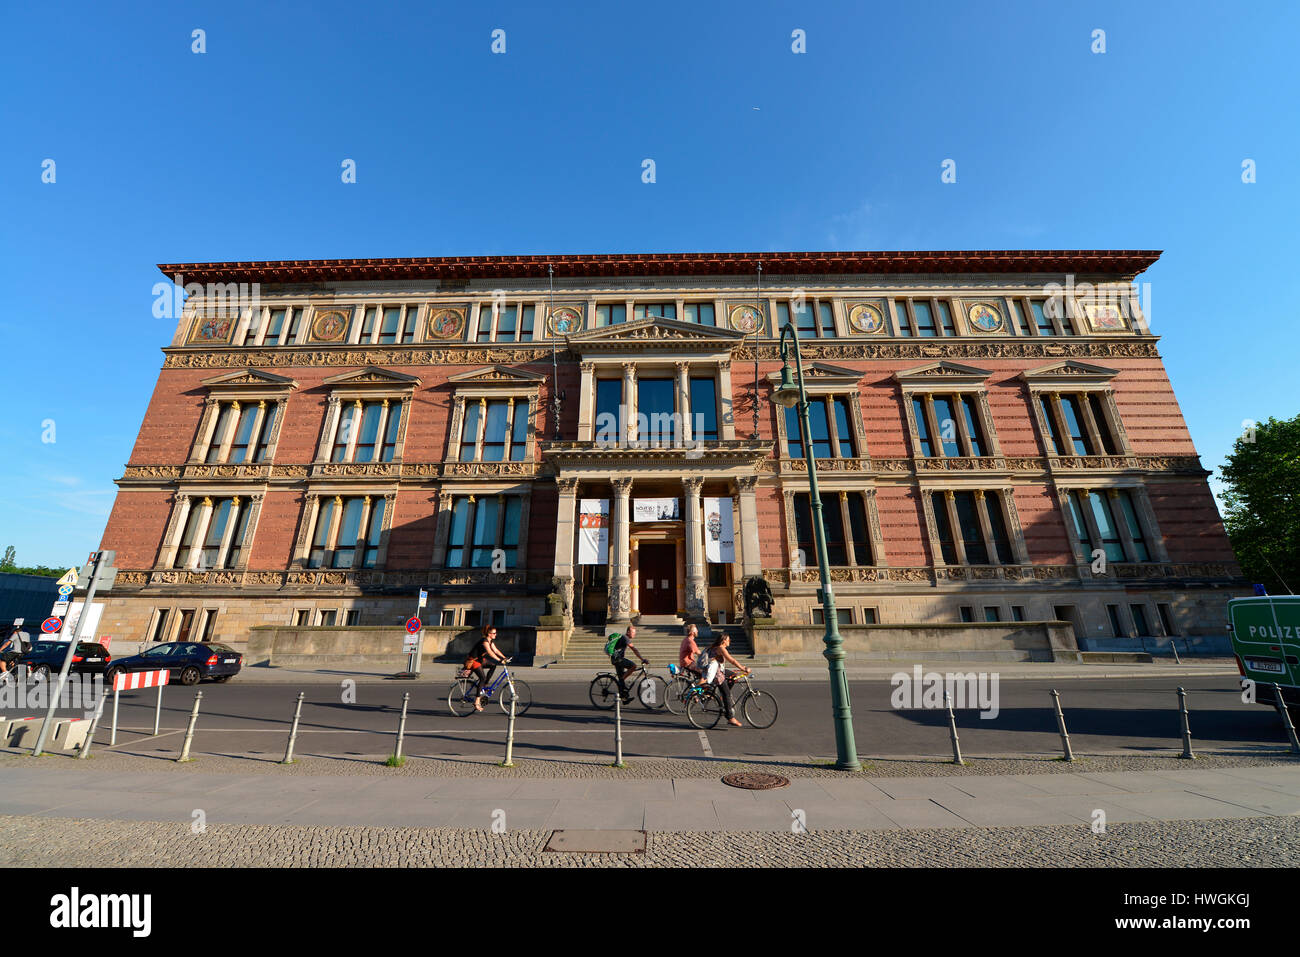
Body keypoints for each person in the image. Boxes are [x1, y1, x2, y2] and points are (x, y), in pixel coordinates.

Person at [704, 634, 750, 728]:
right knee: (727, 694)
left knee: (734, 675)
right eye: (728, 639)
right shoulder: (721, 648)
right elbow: (732, 660)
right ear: (724, 640)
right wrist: (743, 668)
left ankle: (722, 696)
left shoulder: (719, 647)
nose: (730, 641)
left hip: (720, 670)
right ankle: (730, 718)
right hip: (717, 674)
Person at [463, 625, 509, 712]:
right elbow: (490, 652)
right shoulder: (484, 641)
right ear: (489, 634)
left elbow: (495, 650)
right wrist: (499, 660)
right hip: (473, 661)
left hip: (480, 660)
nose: (496, 634)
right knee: (482, 678)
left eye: (496, 633)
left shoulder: (490, 641)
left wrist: (504, 658)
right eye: (494, 633)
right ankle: (476, 702)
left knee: (493, 665)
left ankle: (484, 685)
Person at [609, 625, 648, 698]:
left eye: (635, 633)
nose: (634, 634)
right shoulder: (625, 638)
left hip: (616, 659)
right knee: (633, 666)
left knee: (622, 679)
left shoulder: (624, 638)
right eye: (633, 632)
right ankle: (621, 680)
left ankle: (624, 697)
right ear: (628, 632)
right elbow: (634, 649)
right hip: (617, 659)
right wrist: (642, 659)